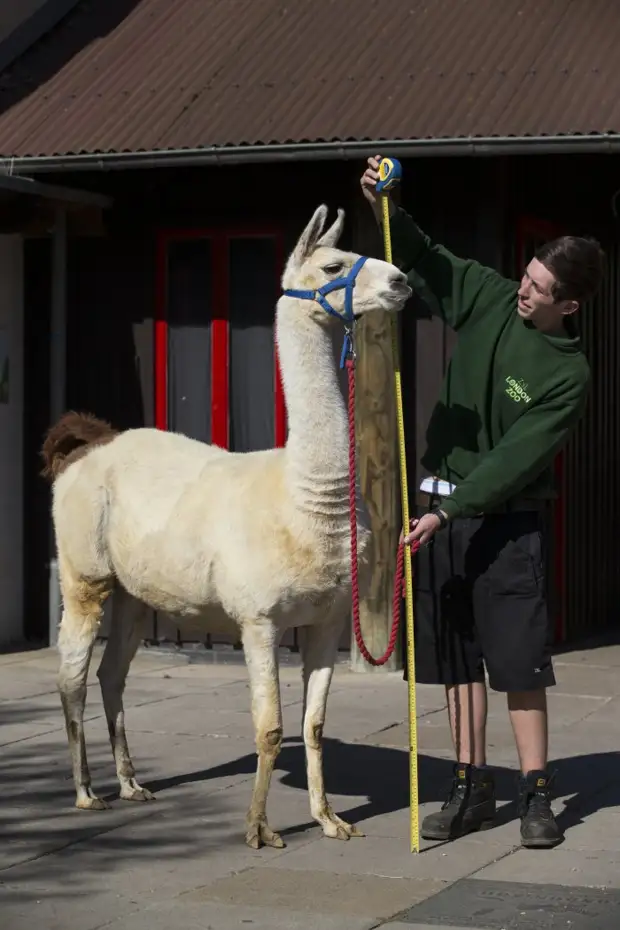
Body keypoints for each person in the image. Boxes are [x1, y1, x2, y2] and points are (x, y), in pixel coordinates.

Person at [360, 155, 605, 849]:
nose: (524, 291)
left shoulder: (568, 375)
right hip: (440, 511)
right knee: (455, 659)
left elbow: (513, 460)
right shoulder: (493, 297)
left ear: (570, 305)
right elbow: (427, 259)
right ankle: (470, 784)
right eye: (526, 276)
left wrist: (450, 508)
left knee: (518, 664)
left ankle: (535, 793)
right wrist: (389, 206)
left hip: (505, 525)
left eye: (539, 288)